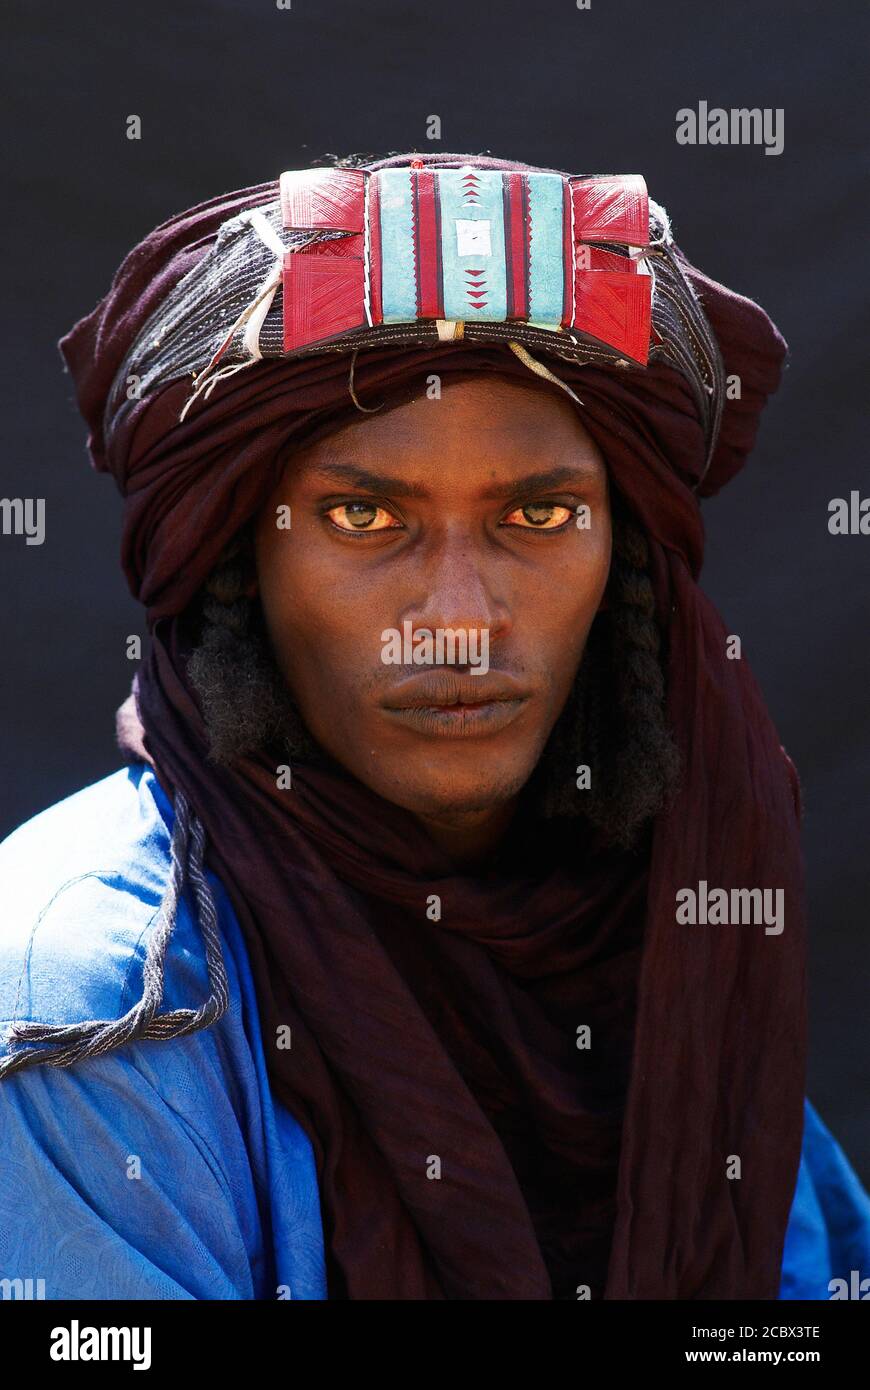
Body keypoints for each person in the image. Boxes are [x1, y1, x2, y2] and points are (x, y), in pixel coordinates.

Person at [0, 151, 867, 1301]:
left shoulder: (669, 958)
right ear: (236, 562)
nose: (457, 620)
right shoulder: (95, 1001)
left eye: (540, 513)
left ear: (624, 565)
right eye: (365, 516)